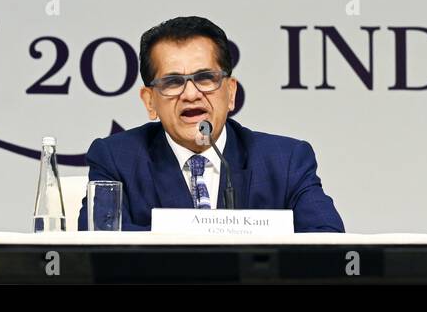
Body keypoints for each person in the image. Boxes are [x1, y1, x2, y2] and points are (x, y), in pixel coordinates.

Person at [79, 16, 344, 232]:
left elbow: (328, 241)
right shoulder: (116, 160)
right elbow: (99, 243)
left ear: (230, 93)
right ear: (150, 102)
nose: (191, 94)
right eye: (172, 82)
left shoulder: (285, 161)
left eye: (205, 78)